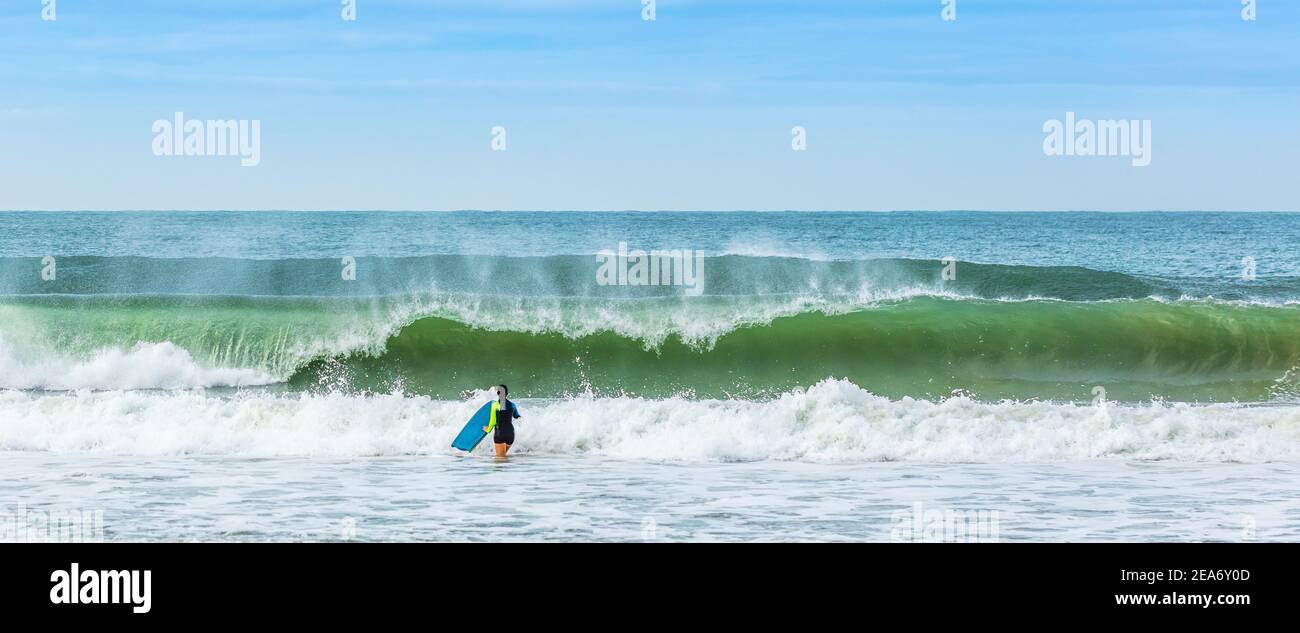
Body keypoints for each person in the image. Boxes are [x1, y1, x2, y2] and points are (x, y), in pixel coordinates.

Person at [482, 384, 521, 458]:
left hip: (500, 434)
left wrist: (488, 429)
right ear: (507, 394)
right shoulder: (512, 405)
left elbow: (493, 421)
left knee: (500, 460)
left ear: (498, 393)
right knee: (503, 458)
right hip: (511, 434)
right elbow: (517, 416)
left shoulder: (495, 405)